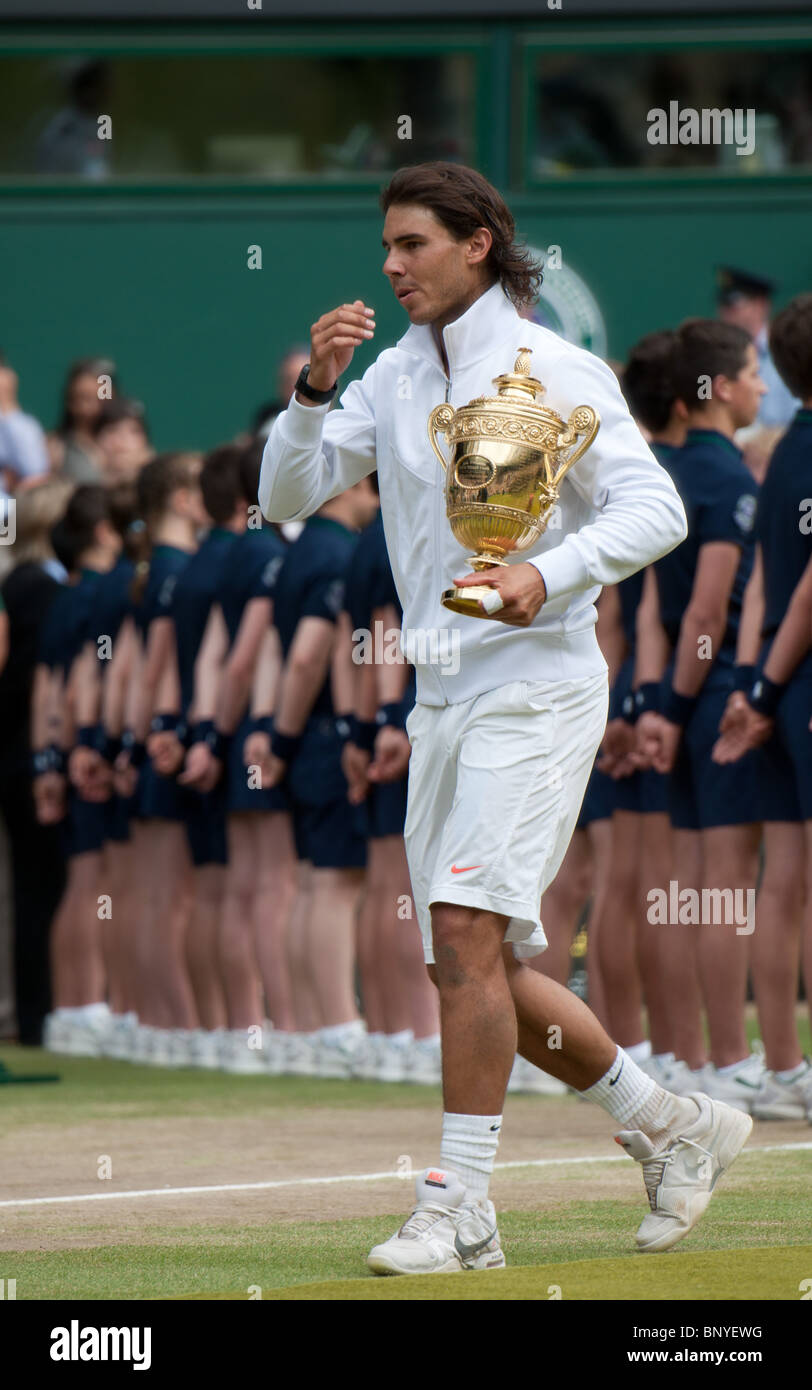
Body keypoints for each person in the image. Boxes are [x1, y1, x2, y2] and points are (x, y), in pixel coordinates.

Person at [259, 161, 752, 1276]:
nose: (388, 267)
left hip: (536, 684)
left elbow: (655, 508)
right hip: (438, 697)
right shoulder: (386, 374)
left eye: (411, 245)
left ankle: (460, 1207)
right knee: (468, 959)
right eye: (385, 247)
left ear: (477, 243)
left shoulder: (558, 370)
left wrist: (550, 572)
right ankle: (670, 1125)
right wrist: (310, 396)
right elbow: (284, 499)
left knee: (467, 935)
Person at [637, 318, 767, 1111]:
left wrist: (656, 705)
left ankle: (690, 1060)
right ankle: (727, 1061)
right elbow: (705, 613)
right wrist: (683, 706)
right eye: (751, 373)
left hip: (676, 696)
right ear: (715, 390)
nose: (759, 385)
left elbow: (654, 612)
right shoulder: (724, 481)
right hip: (711, 696)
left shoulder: (665, 472)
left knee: (684, 890)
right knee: (722, 890)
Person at [712, 293, 812, 1121]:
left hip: (776, 685)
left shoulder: (779, 456)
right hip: (796, 681)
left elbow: (764, 590)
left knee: (785, 884)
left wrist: (751, 689)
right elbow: (804, 593)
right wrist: (769, 688)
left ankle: (783, 1068)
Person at [49, 357, 117, 483]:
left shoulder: (128, 442)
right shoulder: (55, 447)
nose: (93, 407)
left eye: (101, 396)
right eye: (84, 398)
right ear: (70, 401)